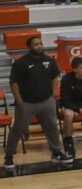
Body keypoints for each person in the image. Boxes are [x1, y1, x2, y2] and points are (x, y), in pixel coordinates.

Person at [4, 36, 72, 172]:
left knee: (52, 128)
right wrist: (19, 101)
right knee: (18, 129)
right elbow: (13, 83)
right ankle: (9, 156)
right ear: (29, 47)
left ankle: (57, 153)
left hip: (47, 102)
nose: (39, 46)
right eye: (36, 44)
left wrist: (52, 94)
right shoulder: (21, 63)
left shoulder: (49, 60)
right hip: (27, 103)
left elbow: (55, 77)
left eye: (40, 44)